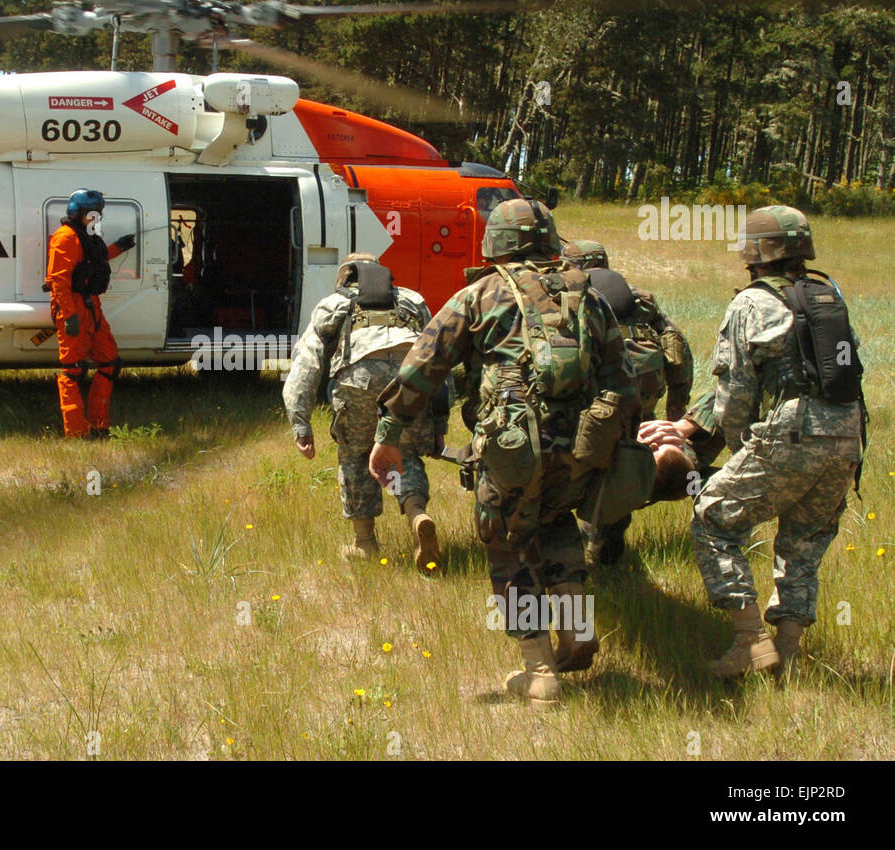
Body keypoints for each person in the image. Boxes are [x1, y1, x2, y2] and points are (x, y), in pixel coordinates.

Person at [369, 199, 639, 705]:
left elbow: (423, 367)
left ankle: (539, 672)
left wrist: (387, 436)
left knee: (507, 544)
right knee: (558, 526)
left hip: (512, 447)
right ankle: (577, 630)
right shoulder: (590, 297)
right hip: (581, 444)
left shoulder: (480, 294)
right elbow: (623, 382)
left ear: (495, 242)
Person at [640, 206, 865, 677]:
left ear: (753, 253)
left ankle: (749, 641)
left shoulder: (750, 304)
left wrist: (742, 448)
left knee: (713, 518)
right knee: (804, 540)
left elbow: (735, 399)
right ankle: (785, 651)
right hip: (848, 435)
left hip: (793, 431)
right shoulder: (828, 295)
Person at [283, 253, 450, 574]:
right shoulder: (413, 301)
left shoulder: (333, 304)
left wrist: (300, 422)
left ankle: (365, 544)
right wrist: (439, 420)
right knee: (407, 454)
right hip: (410, 381)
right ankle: (417, 515)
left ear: (346, 277)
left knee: (356, 455)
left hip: (357, 382)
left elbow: (306, 364)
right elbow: (439, 354)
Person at [561, 239, 694, 563]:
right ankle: (607, 547)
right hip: (640, 412)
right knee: (623, 469)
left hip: (590, 409)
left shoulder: (567, 301)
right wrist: (674, 417)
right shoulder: (643, 306)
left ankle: (563, 553)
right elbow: (679, 357)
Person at [46, 189, 135, 439]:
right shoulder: (65, 238)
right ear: (78, 213)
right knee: (72, 370)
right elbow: (59, 282)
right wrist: (69, 316)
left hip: (91, 306)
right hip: (73, 307)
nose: (96, 217)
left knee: (110, 362)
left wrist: (118, 248)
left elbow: (94, 258)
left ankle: (99, 425)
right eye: (91, 213)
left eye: (98, 213)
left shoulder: (87, 235)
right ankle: (76, 433)